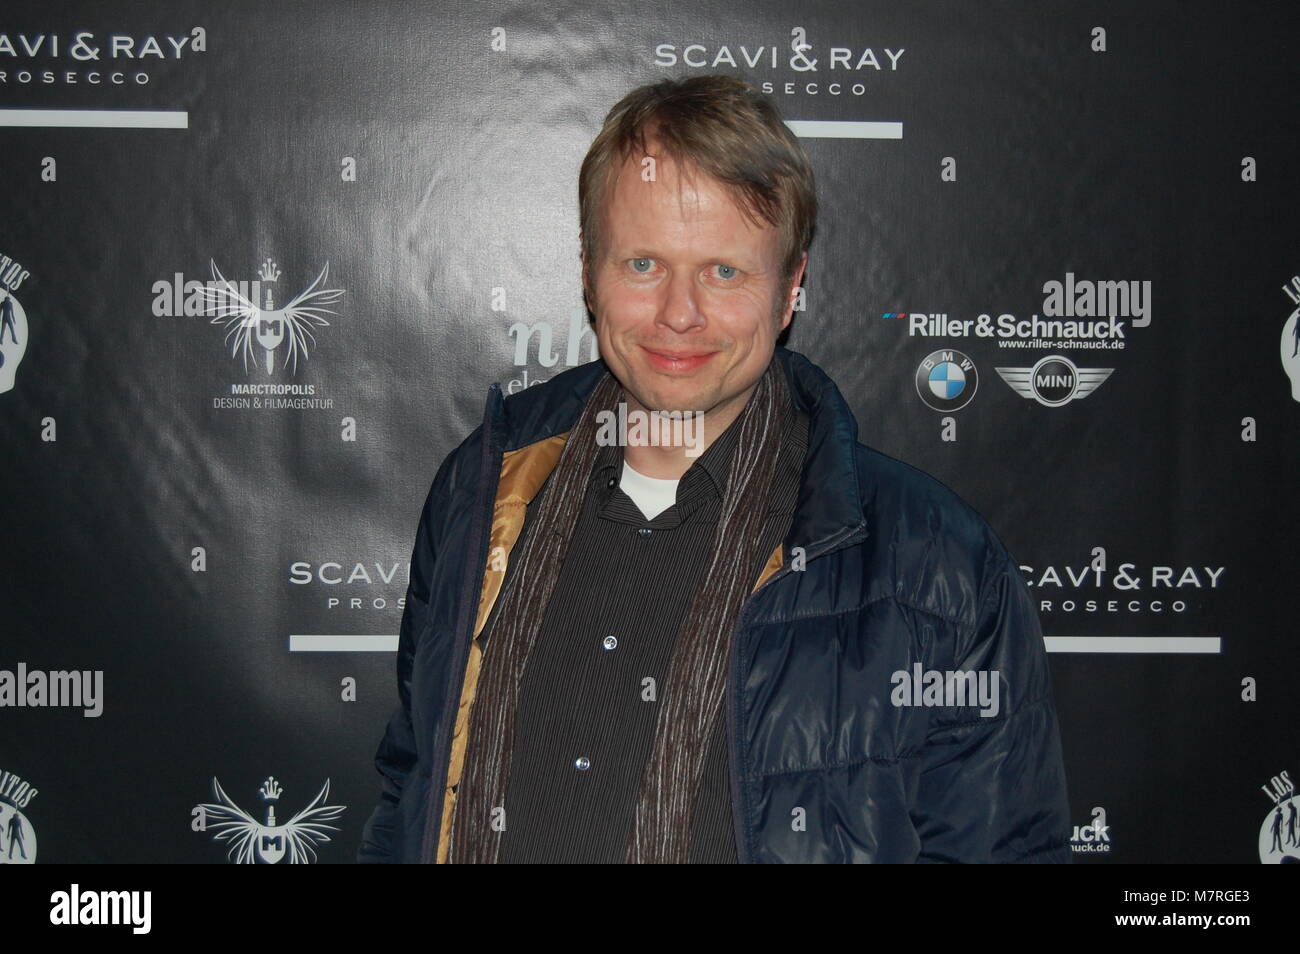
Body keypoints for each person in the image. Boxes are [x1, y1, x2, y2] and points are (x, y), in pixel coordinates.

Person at [359, 74, 1071, 863]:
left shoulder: (937, 563)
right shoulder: (482, 490)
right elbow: (412, 786)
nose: (680, 312)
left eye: (725, 271)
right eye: (642, 264)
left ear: (791, 286)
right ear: (589, 270)